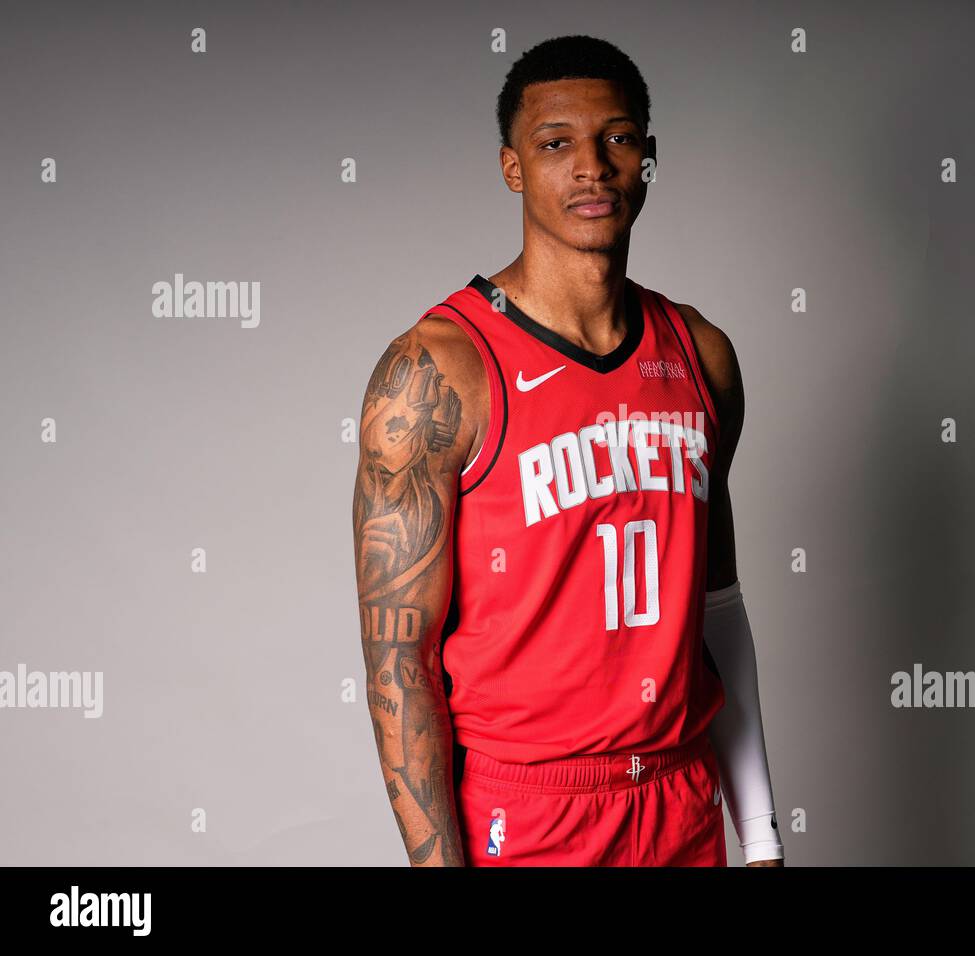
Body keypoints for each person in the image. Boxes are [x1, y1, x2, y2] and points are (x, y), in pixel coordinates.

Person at [351, 34, 783, 866]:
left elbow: (718, 610)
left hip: (679, 798)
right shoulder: (439, 370)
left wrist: (761, 836)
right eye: (556, 144)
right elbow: (397, 658)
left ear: (647, 159)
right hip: (528, 809)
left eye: (616, 138)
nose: (591, 165)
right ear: (513, 166)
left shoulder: (701, 353)